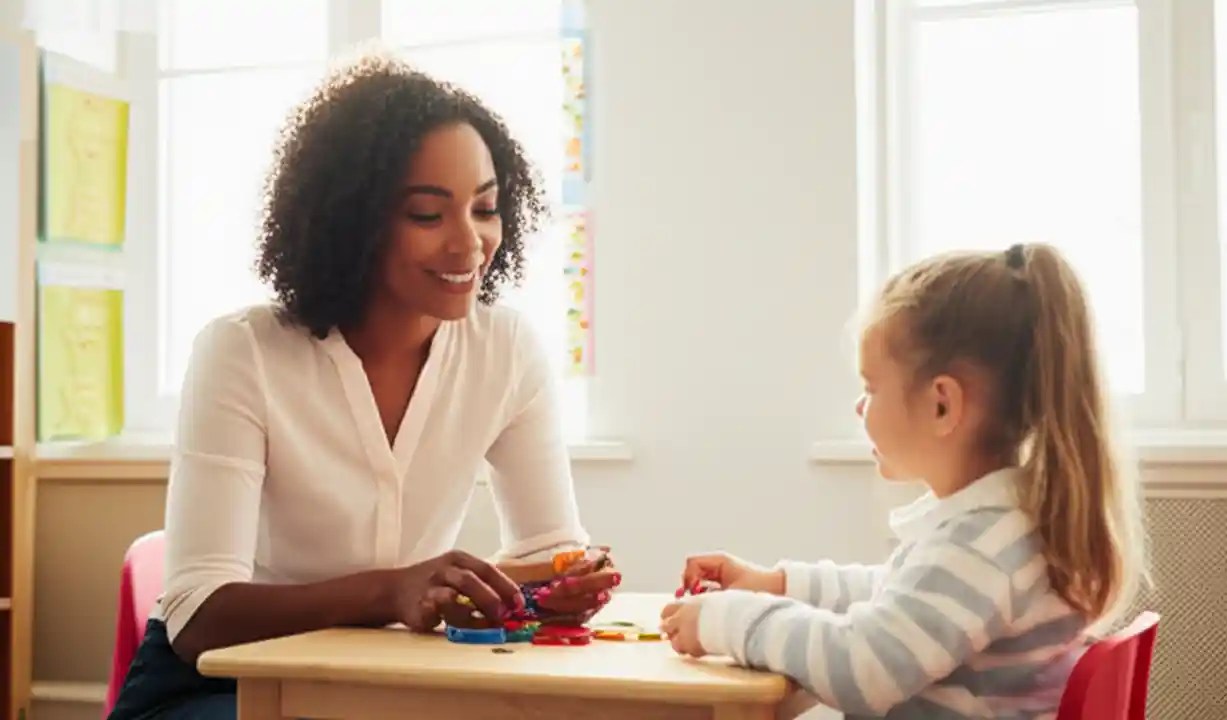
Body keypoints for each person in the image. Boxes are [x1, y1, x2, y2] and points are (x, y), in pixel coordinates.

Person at [108, 51, 619, 720]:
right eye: (428, 216)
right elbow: (200, 617)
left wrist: (560, 582)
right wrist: (390, 592)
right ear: (351, 220)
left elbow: (547, 553)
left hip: (391, 679)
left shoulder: (507, 351)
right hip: (218, 684)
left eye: (486, 208)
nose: (471, 246)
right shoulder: (243, 353)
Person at [660, 243, 1146, 718]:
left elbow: (861, 668)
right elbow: (900, 596)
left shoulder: (979, 547)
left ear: (942, 405)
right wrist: (778, 583)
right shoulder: (1000, 529)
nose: (859, 406)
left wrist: (727, 620)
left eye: (870, 387)